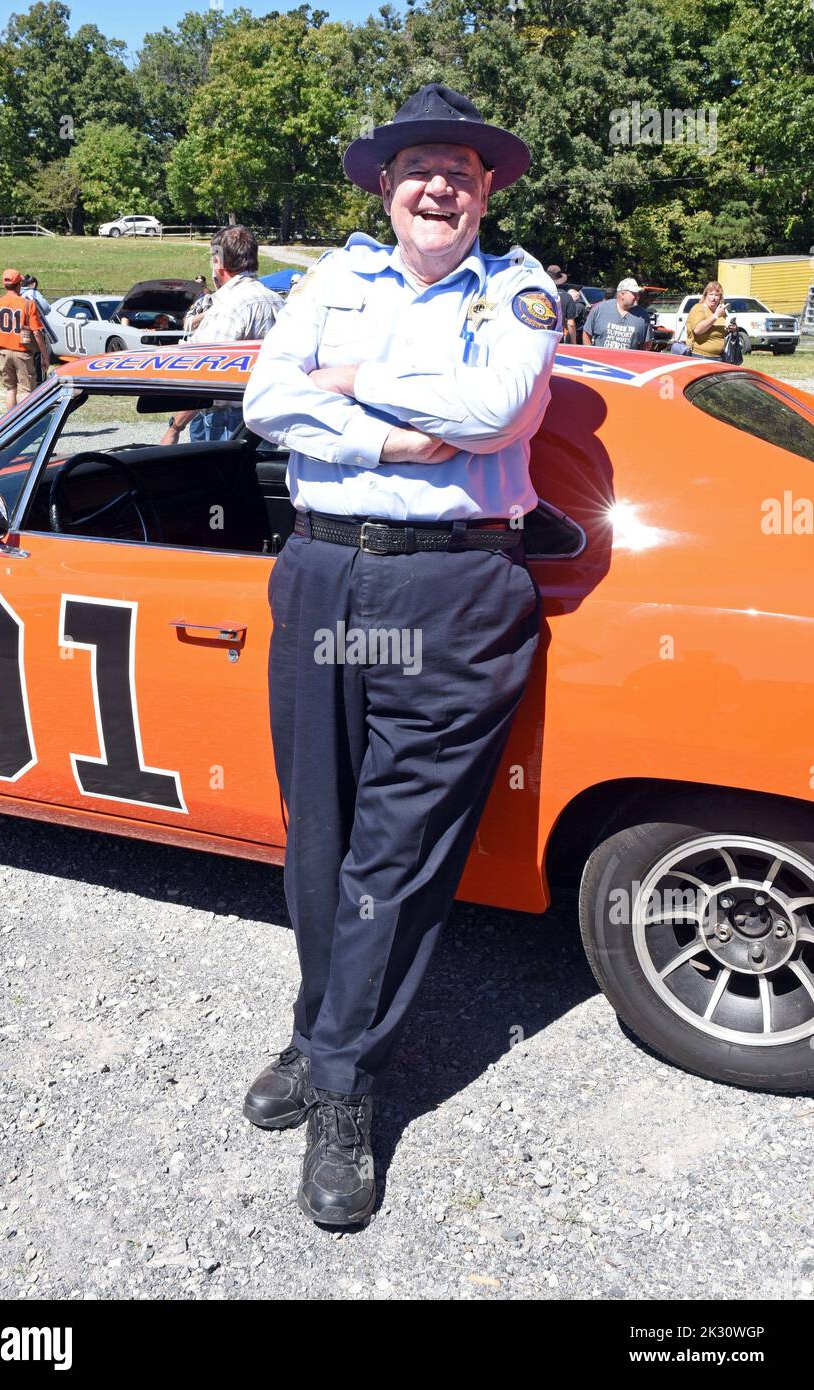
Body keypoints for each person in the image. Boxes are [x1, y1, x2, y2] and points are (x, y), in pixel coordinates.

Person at [242, 83, 560, 1227]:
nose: (440, 185)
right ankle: (319, 1025)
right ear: (385, 187)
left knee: (396, 847)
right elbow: (263, 400)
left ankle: (341, 1085)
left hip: (452, 585)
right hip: (325, 569)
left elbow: (486, 412)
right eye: (418, 168)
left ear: (485, 191)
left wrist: (343, 380)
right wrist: (380, 428)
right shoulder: (331, 281)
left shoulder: (520, 290)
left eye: (461, 171)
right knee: (317, 828)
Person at [160, 226, 282, 446]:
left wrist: (175, 427)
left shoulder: (229, 308)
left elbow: (205, 378)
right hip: (266, 417)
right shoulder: (277, 301)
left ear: (219, 262)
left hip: (226, 423)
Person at [0, 269, 48, 411]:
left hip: (4, 353)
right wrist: (44, 356)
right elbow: (37, 333)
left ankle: (10, 425)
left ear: (4, 285)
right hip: (23, 354)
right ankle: (25, 424)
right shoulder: (28, 304)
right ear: (19, 284)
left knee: (10, 389)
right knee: (26, 390)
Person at [582, 276, 652, 350]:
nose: (638, 297)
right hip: (601, 360)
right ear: (622, 294)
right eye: (634, 294)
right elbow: (587, 333)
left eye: (638, 294)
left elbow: (647, 344)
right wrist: (591, 353)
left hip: (628, 361)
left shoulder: (643, 316)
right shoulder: (600, 309)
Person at [21, 274, 54, 384]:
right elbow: (46, 308)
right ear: (34, 284)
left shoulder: (17, 294)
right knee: (37, 354)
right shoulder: (32, 293)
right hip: (34, 328)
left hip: (19, 330)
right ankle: (40, 380)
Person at [684, 281, 730, 358]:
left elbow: (723, 333)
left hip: (719, 357)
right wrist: (715, 316)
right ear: (705, 296)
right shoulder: (698, 308)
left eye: (716, 295)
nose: (713, 298)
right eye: (711, 294)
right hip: (699, 356)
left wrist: (732, 329)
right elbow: (698, 330)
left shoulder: (720, 311)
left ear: (720, 298)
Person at [547, 263, 576, 343]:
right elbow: (571, 324)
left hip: (544, 337)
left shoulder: (540, 294)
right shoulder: (567, 297)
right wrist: (574, 343)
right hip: (559, 338)